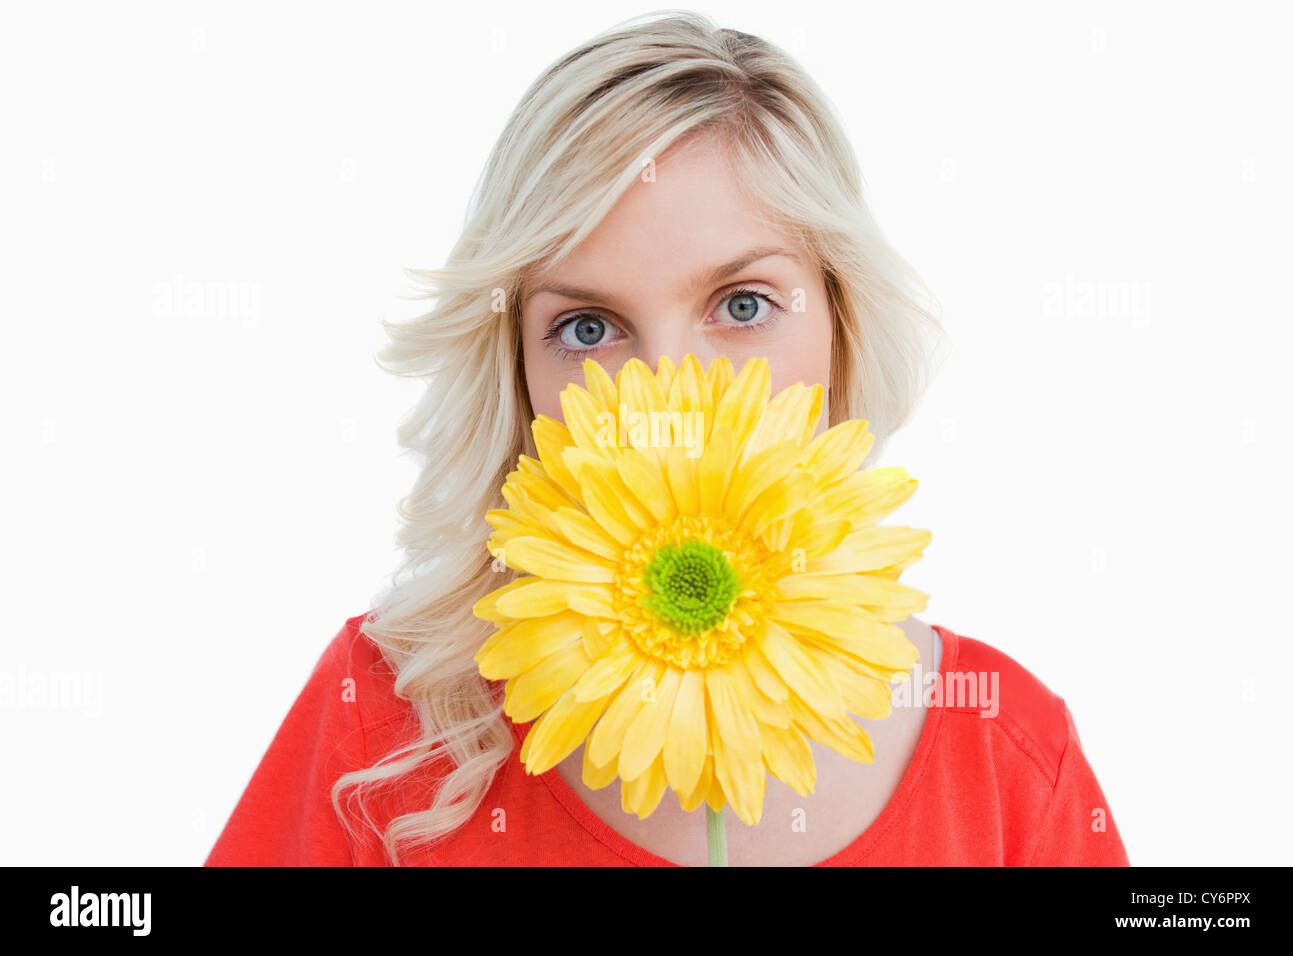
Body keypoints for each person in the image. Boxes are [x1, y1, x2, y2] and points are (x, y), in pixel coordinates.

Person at [205, 10, 1128, 867]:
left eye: (741, 306)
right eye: (588, 329)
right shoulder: (385, 721)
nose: (665, 400)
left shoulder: (1010, 760)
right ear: (516, 371)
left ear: (843, 329)